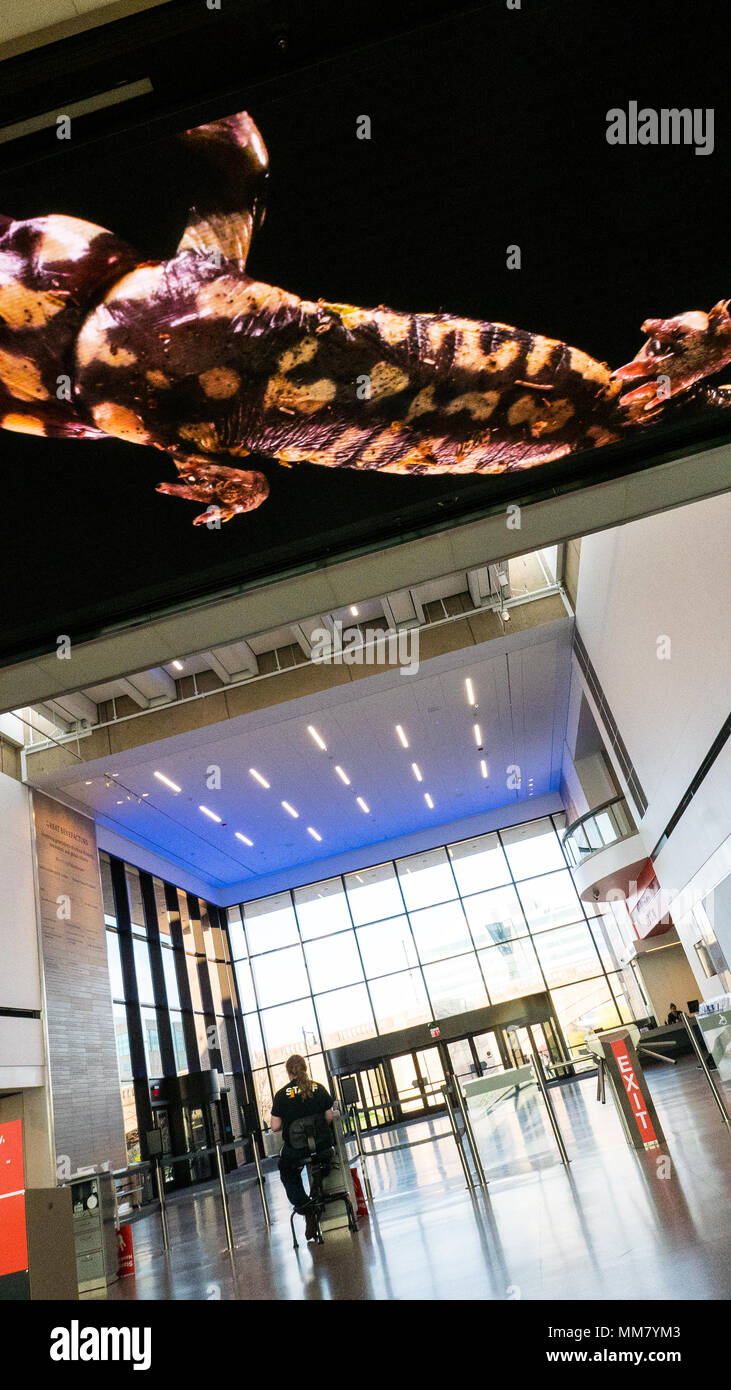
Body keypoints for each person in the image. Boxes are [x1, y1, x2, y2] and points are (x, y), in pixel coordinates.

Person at [270, 1055, 334, 1239]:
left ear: (289, 1072)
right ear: (305, 1068)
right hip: (322, 1148)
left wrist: (289, 1123)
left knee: (287, 1168)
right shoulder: (318, 1088)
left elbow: (275, 1126)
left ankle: (306, 1206)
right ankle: (319, 1186)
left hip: (297, 1151)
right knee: (321, 1160)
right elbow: (329, 1117)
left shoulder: (282, 1095)